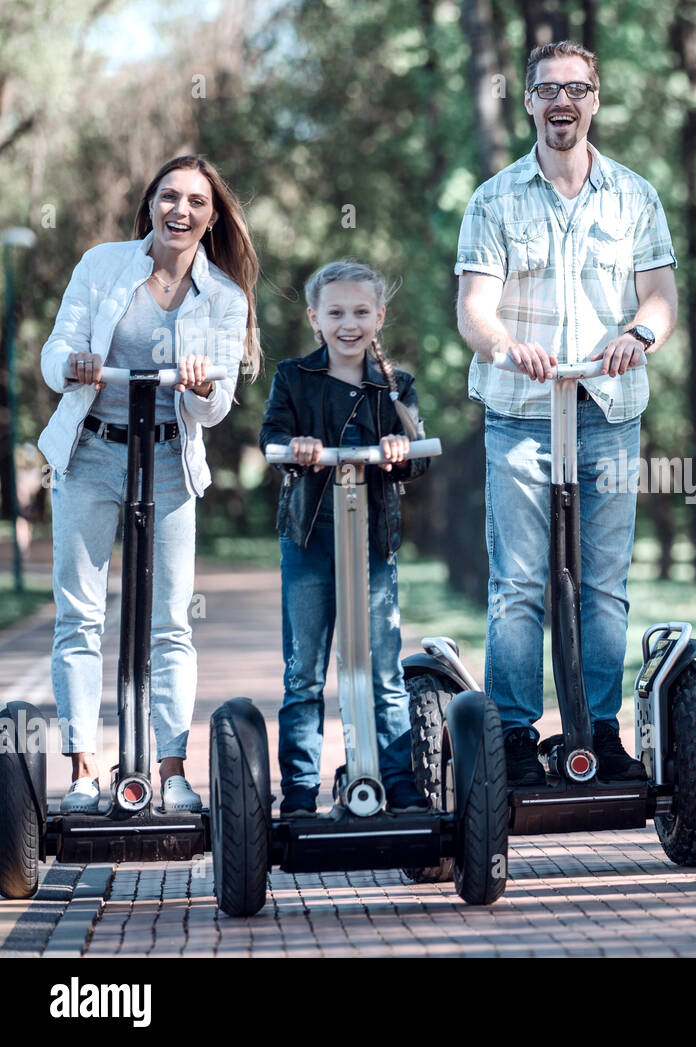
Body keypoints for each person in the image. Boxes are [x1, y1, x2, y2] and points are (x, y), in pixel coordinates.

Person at [454, 40, 678, 786]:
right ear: (527, 102)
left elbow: (660, 296)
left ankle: (598, 731)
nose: (562, 102)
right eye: (548, 89)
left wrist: (639, 333)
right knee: (520, 581)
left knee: (604, 580)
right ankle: (515, 738)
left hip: (607, 408)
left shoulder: (633, 195)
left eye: (576, 89)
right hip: (521, 410)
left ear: (595, 99)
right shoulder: (494, 198)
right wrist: (506, 346)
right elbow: (474, 311)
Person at [38, 154, 262, 813]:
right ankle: (83, 770)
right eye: (169, 196)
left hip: (168, 459)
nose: (180, 210)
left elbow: (214, 407)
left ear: (212, 215)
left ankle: (171, 770)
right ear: (151, 203)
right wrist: (75, 365)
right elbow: (55, 354)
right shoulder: (103, 264)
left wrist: (198, 388)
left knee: (170, 621)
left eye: (195, 201)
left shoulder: (223, 297)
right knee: (80, 614)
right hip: (91, 452)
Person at [259, 260, 429, 816]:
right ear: (316, 318)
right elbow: (272, 436)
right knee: (304, 671)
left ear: (379, 317)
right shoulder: (293, 377)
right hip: (310, 540)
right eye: (336, 313)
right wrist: (296, 447)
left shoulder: (396, 385)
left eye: (360, 312)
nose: (348, 323)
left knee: (382, 669)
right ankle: (301, 794)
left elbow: (417, 456)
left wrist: (401, 452)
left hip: (373, 543)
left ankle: (401, 786)